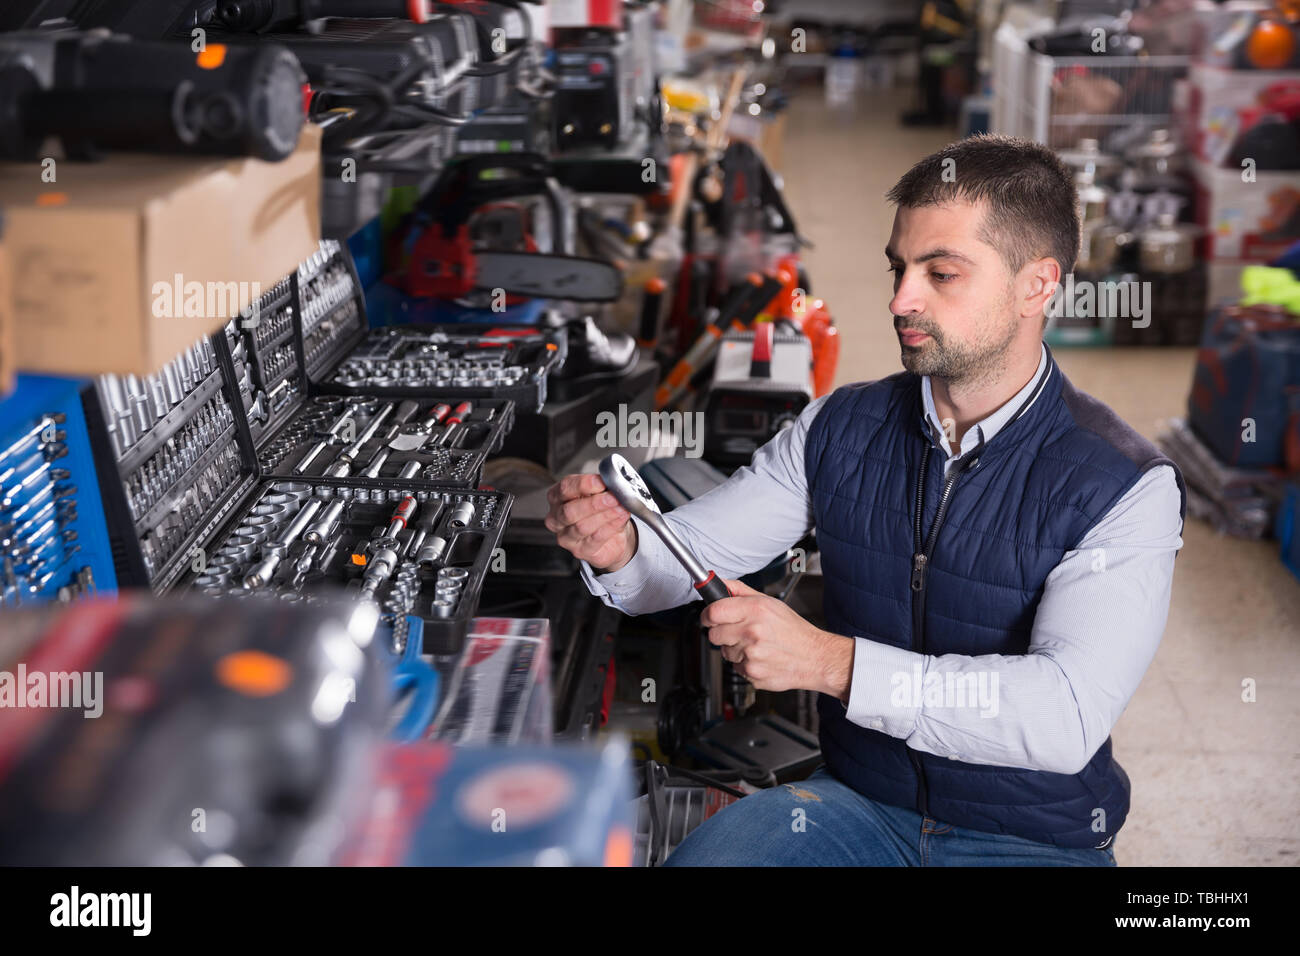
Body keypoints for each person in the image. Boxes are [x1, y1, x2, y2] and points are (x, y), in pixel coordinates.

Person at [544, 134, 1186, 866]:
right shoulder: (839, 427)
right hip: (857, 804)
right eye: (899, 267)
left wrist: (833, 664)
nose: (900, 300)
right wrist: (623, 548)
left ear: (1038, 285)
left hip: (1028, 833)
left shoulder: (1123, 484)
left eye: (941, 273)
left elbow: (1064, 712)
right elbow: (699, 550)